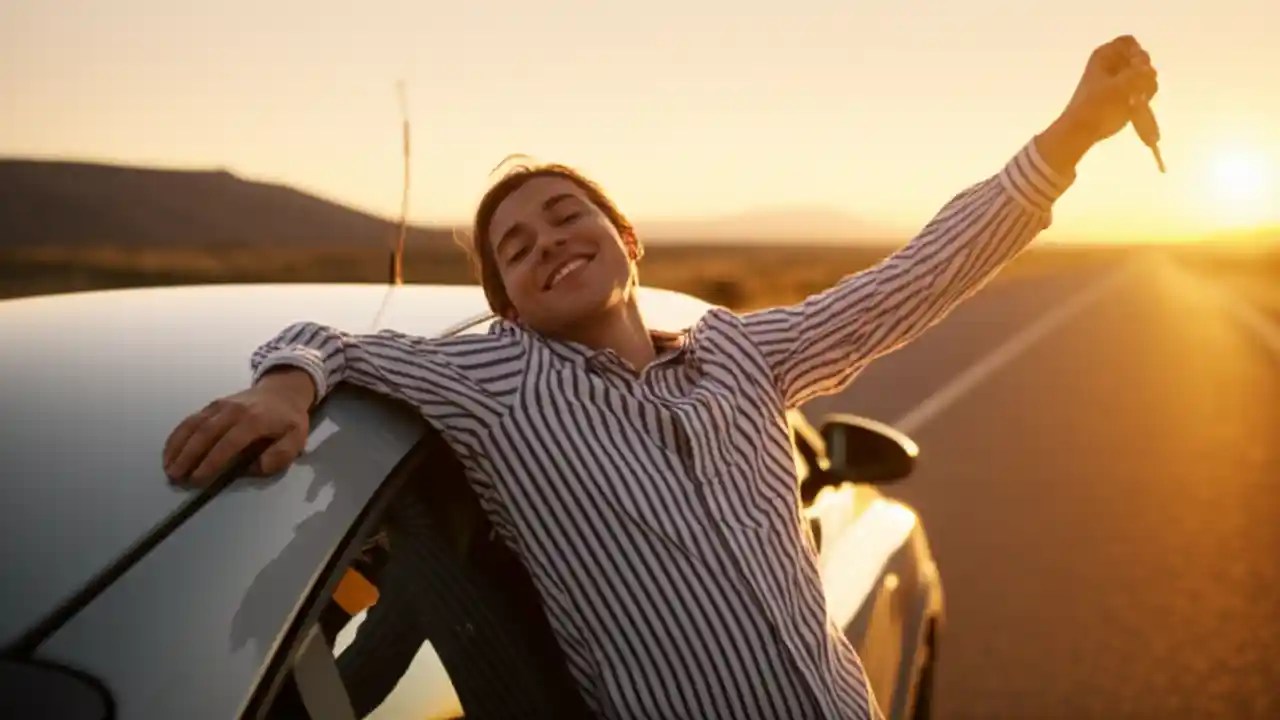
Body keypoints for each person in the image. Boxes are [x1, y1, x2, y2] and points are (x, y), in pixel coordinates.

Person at [163, 36, 1159, 720]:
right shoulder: (496, 381)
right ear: (505, 301)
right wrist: (282, 388)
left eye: (566, 218)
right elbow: (330, 340)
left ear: (624, 239)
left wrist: (1069, 133)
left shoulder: (741, 353)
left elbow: (918, 275)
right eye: (515, 249)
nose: (547, 243)